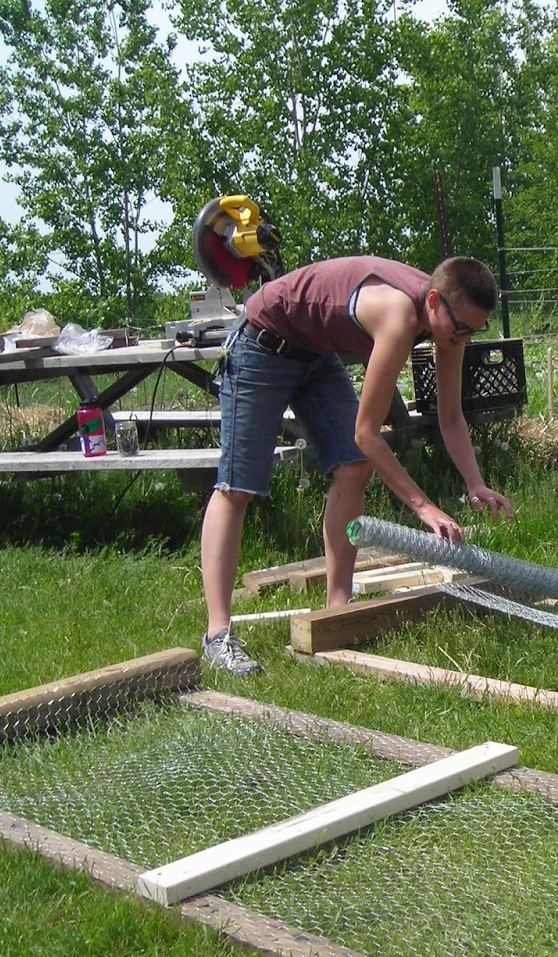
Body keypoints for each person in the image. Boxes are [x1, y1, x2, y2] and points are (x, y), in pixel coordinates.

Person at [199, 255, 512, 674]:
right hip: (264, 342)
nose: (466, 339)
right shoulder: (400, 315)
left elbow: (450, 415)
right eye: (461, 329)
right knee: (238, 487)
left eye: (475, 330)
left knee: (353, 469)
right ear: (434, 301)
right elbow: (367, 434)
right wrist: (423, 507)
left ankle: (337, 610)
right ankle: (218, 635)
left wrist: (475, 483)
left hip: (314, 350)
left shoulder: (448, 323)